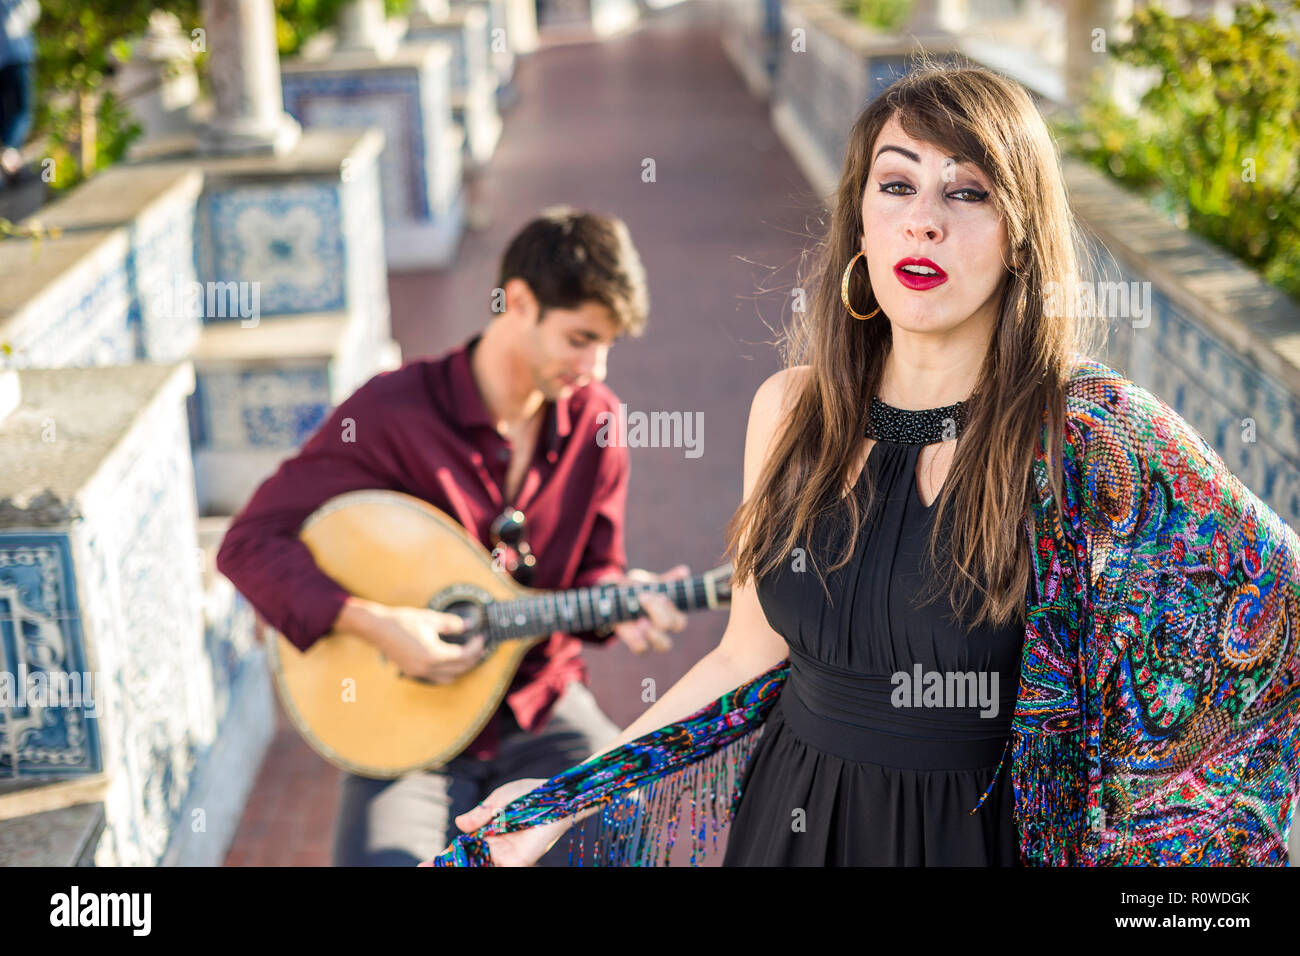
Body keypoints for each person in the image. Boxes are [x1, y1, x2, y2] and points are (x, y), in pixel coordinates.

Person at [435, 62, 1300, 867]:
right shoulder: (788, 411)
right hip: (792, 826)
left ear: (1022, 240)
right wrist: (560, 803)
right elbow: (742, 660)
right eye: (897, 185)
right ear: (861, 221)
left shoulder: (1084, 434)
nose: (925, 218)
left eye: (968, 192)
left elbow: (1269, 610)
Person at [215, 208, 689, 867]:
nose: (596, 368)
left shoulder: (597, 423)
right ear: (518, 302)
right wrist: (378, 624)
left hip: (538, 707)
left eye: (606, 345)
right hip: (408, 728)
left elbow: (593, 576)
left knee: (624, 840)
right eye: (580, 338)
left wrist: (622, 600)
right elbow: (248, 544)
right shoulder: (390, 413)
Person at [0, 0, 37, 185]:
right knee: (22, 111)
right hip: (16, 55)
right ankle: (11, 153)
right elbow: (30, 11)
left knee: (5, 116)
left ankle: (12, 167)